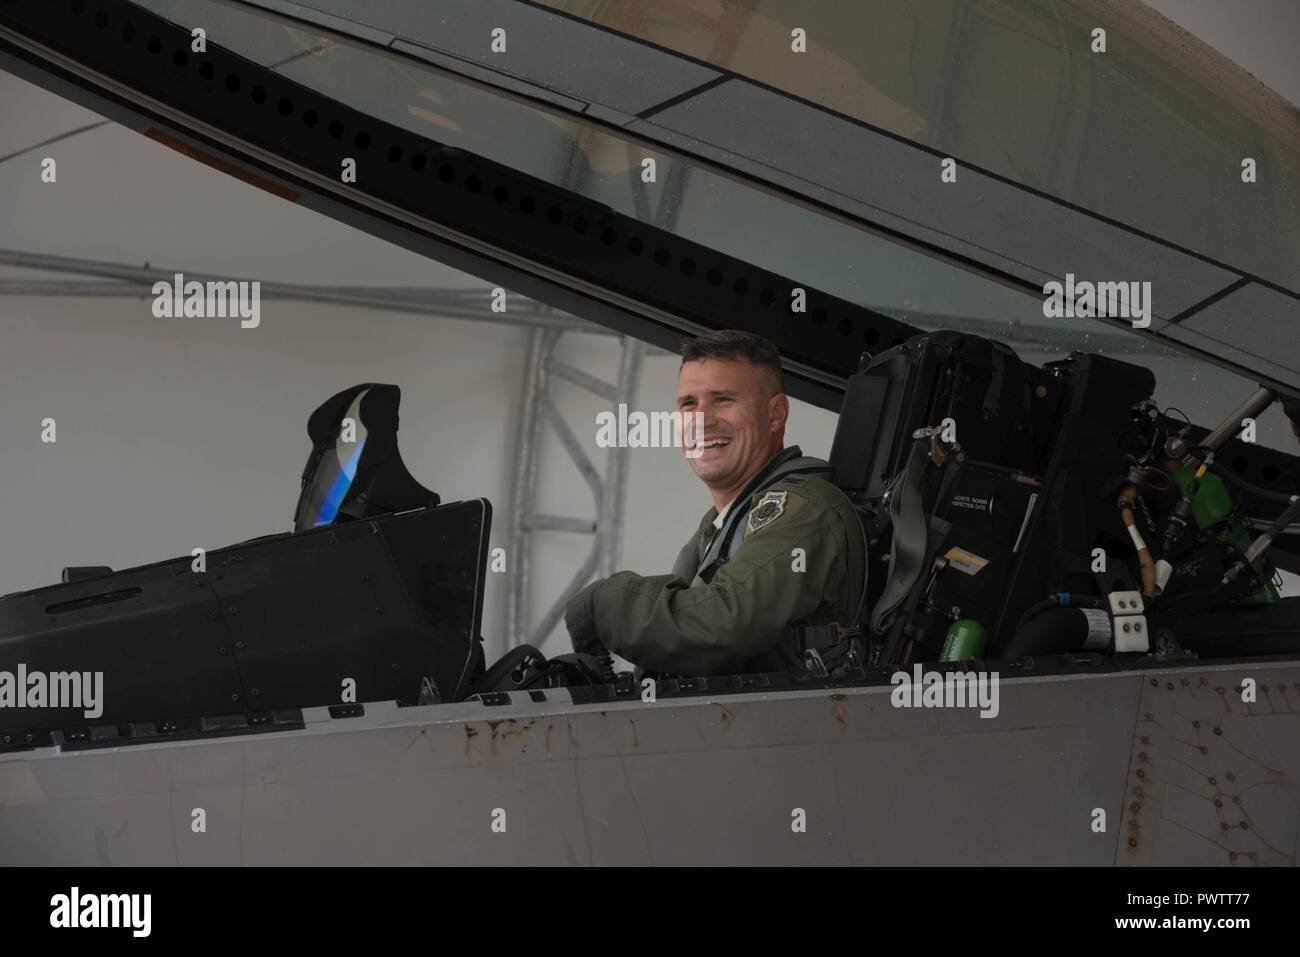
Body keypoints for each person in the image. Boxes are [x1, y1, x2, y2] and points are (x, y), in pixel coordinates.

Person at [564, 329, 867, 677]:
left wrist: (602, 603)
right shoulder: (720, 525)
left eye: (722, 399)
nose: (701, 420)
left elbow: (719, 623)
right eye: (688, 404)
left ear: (775, 415)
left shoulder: (802, 509)